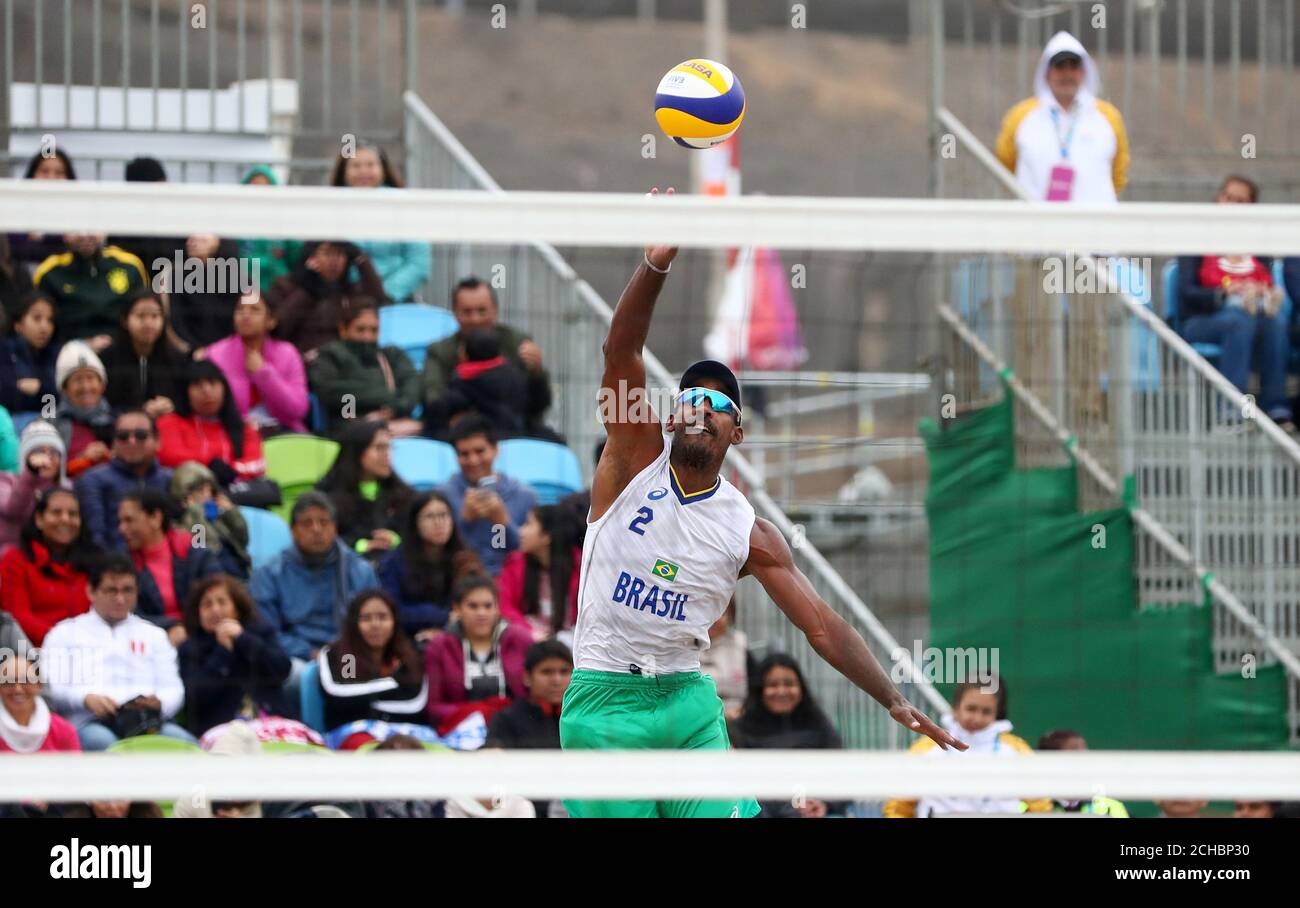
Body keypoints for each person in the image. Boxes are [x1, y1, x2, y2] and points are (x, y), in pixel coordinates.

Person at [559, 212, 961, 819]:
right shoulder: (631, 459)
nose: (702, 407)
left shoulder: (750, 531)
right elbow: (621, 347)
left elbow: (822, 626)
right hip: (606, 699)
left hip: (688, 702)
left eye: (719, 403)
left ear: (736, 431)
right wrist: (656, 264)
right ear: (671, 417)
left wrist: (892, 699)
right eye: (691, 397)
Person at [41, 552, 195, 751]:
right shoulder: (64, 633)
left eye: (128, 590)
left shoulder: (154, 635)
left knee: (186, 744)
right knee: (104, 744)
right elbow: (51, 687)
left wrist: (159, 703)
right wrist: (84, 698)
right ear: (91, 591)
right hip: (89, 721)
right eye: (111, 590)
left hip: (146, 723)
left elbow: (174, 688)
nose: (120, 599)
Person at [1177, 175, 1293, 429]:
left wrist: (1259, 291)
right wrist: (1225, 294)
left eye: (1241, 201)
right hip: (1200, 320)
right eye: (1229, 198)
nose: (1232, 205)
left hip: (1248, 315)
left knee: (1276, 321)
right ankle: (1230, 413)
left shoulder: (1256, 244)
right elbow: (1186, 293)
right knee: (1239, 322)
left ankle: (1277, 408)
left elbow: (1264, 278)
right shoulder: (1196, 238)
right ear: (1219, 199)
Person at [249, 491, 378, 687]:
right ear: (293, 531)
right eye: (307, 523)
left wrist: (342, 651)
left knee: (354, 676)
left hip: (348, 652)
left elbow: (375, 619)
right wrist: (310, 653)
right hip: (298, 658)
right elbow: (266, 632)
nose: (316, 529)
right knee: (298, 678)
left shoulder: (359, 569)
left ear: (335, 528)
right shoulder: (269, 574)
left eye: (324, 522)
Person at [995, 31, 1129, 204]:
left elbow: (1118, 173)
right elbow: (1005, 164)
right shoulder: (1020, 116)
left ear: (1083, 72)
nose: (1067, 74)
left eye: (1073, 67)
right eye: (1059, 67)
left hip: (1095, 226)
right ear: (1047, 72)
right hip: (1035, 226)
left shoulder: (1109, 116)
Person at [883, 679, 1047, 818]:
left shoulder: (1016, 749)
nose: (977, 718)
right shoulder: (926, 748)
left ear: (997, 713)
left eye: (986, 711)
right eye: (971, 708)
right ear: (956, 708)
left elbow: (1040, 804)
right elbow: (898, 805)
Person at [422, 278, 555, 439]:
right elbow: (434, 400)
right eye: (467, 312)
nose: (475, 319)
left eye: (482, 311)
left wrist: (537, 372)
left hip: (515, 431)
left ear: (495, 310)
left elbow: (539, 404)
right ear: (455, 313)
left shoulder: (518, 343)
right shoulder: (440, 350)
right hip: (460, 433)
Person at [732, 653, 847, 818]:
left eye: (789, 684)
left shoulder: (818, 723)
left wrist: (822, 803)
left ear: (801, 688)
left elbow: (842, 774)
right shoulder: (740, 730)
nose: (781, 691)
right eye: (772, 684)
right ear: (760, 690)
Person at [176, 574, 291, 736]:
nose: (215, 609)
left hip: (271, 723)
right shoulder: (190, 649)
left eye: (222, 602)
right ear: (198, 614)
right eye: (207, 605)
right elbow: (195, 699)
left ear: (237, 608)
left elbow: (282, 669)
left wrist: (242, 639)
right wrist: (223, 652)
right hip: (220, 730)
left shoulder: (259, 633)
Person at [119, 487, 223, 645]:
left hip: (203, 636)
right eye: (120, 522)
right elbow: (127, 613)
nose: (122, 528)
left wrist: (190, 630)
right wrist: (170, 627)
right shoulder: (122, 564)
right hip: (150, 644)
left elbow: (218, 594)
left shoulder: (194, 552)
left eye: (129, 520)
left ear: (155, 518)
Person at [376, 490, 484, 642]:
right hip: (407, 639)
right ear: (415, 523)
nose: (439, 523)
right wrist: (441, 617)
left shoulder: (465, 559)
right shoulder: (392, 564)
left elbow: (478, 605)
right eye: (430, 517)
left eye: (444, 515)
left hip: (457, 637)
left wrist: (443, 630)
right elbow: (391, 611)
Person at [330, 142, 431, 303]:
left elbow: (418, 262)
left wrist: (385, 293)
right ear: (344, 171)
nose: (363, 171)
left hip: (395, 299)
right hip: (345, 300)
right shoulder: (328, 207)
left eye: (370, 165)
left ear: (383, 169)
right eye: (356, 165)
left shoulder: (404, 205)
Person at [425, 575, 531, 727]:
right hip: (461, 729)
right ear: (457, 608)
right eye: (473, 606)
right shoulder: (440, 646)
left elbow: (534, 697)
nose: (481, 613)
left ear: (497, 608)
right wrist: (479, 713)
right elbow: (433, 708)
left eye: (488, 606)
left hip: (516, 729)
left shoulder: (520, 640)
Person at [307, 298, 422, 438]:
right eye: (360, 329)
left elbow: (411, 394)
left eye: (374, 330)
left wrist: (393, 409)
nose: (368, 337)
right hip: (347, 427)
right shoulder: (330, 356)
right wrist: (387, 395)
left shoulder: (392, 355)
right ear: (343, 329)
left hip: (392, 424)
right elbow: (335, 395)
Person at [438, 417, 537, 576]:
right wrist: (465, 522)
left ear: (495, 450)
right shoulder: (444, 496)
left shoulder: (523, 495)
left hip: (508, 581)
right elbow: (439, 552)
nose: (473, 460)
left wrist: (503, 523)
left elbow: (527, 552)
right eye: (464, 454)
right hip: (458, 580)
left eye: (480, 451)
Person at [317, 589, 427, 731]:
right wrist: (392, 684)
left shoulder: (406, 655)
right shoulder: (347, 657)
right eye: (366, 618)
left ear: (394, 621)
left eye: (383, 617)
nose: (375, 625)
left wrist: (369, 699)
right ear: (354, 624)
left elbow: (414, 704)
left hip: (401, 731)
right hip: (354, 731)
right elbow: (344, 697)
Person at [0, 487, 97, 645]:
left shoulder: (94, 560)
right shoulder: (15, 560)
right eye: (56, 512)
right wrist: (62, 641)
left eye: (73, 514)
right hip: (32, 652)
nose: (65, 519)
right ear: (39, 519)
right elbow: (18, 615)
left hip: (90, 653)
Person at [203, 292, 309, 434]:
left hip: (283, 432)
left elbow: (298, 409)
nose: (245, 315)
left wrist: (263, 373)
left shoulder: (288, 353)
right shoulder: (215, 355)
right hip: (234, 434)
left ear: (271, 321)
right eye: (240, 309)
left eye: (255, 310)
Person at [314, 421, 415, 561]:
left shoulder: (404, 494)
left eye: (389, 447)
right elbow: (319, 539)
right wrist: (361, 546)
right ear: (357, 451)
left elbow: (416, 531)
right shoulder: (326, 497)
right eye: (379, 447)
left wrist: (396, 540)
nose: (387, 454)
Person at [425, 328, 550, 441]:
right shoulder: (515, 375)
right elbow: (538, 403)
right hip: (519, 437)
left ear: (464, 354)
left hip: (487, 439)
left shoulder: (466, 381)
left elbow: (440, 407)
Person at [74, 409, 173, 550]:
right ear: (113, 443)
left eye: (141, 435)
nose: (131, 441)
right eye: (123, 436)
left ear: (157, 441)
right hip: (115, 566)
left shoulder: (170, 479)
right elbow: (96, 540)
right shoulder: (93, 480)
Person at [269, 240, 386, 356]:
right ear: (310, 257)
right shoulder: (287, 286)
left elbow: (378, 299)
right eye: (327, 253)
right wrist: (309, 286)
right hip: (303, 362)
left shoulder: (350, 291)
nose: (334, 260)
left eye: (340, 253)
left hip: (347, 363)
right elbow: (277, 329)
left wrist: (360, 258)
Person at [156, 359, 266, 482]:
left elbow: (257, 464)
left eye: (212, 382)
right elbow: (168, 456)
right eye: (197, 384)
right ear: (184, 392)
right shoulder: (169, 422)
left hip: (236, 495)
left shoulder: (243, 427)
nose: (207, 391)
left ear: (225, 388)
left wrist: (228, 471)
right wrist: (210, 464)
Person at [33, 233, 149, 345]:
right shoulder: (49, 272)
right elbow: (41, 325)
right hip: (67, 353)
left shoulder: (130, 266)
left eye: (91, 225)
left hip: (123, 350)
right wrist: (83, 346)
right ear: (65, 234)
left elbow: (146, 315)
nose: (85, 234)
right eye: (77, 226)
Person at [496, 505, 581, 644]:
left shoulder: (580, 566)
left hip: (572, 642)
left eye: (528, 524)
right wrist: (528, 632)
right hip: (528, 640)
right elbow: (505, 606)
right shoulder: (515, 564)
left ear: (547, 536)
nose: (521, 531)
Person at [99, 289, 188, 418]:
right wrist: (140, 410)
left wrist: (171, 405)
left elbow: (186, 401)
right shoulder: (108, 358)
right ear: (125, 320)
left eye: (155, 316)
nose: (148, 323)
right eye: (140, 316)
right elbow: (104, 405)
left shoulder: (177, 359)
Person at [170, 461, 252, 579]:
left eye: (210, 490)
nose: (207, 495)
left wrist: (231, 514)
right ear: (185, 496)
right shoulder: (179, 526)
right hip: (213, 580)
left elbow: (243, 541)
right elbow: (203, 549)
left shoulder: (216, 519)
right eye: (200, 491)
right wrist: (196, 514)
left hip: (239, 576)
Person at [486, 639, 572, 749]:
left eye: (564, 672)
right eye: (546, 672)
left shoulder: (579, 718)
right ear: (527, 677)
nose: (556, 680)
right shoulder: (506, 720)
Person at [166, 234, 243, 352]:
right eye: (191, 238)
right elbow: (176, 322)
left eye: (202, 238)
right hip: (189, 353)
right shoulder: (176, 277)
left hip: (228, 352)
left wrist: (218, 351)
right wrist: (193, 349)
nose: (191, 242)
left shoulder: (238, 280)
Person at [7, 148, 78, 276]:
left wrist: (40, 239)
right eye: (44, 171)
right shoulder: (14, 209)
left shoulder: (78, 213)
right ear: (32, 175)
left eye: (59, 173)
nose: (51, 178)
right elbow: (13, 249)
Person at [0, 420, 67, 552]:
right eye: (39, 451)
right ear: (25, 456)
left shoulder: (68, 488)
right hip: (13, 558)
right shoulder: (5, 481)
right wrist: (31, 473)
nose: (47, 457)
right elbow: (13, 511)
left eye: (54, 452)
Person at [51, 340, 115, 477]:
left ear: (102, 385)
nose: (86, 387)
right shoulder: (51, 423)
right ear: (65, 389)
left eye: (91, 378)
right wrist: (83, 459)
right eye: (78, 380)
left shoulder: (118, 419)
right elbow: (45, 473)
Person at [236, 166, 302, 293]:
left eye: (266, 187)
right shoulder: (235, 221)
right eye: (254, 186)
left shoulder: (284, 222)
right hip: (242, 287)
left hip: (277, 289)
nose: (259, 191)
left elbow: (296, 256)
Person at [1035, 728, 1128, 816]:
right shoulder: (1030, 808)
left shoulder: (1111, 807)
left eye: (1085, 750)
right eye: (1075, 750)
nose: (1085, 758)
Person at [0, 654, 81, 753]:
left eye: (26, 681)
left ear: (39, 684)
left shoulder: (63, 731)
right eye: (8, 682)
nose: (18, 689)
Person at [0, 293, 62, 415]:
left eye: (50, 320)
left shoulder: (57, 354)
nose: (44, 327)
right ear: (18, 325)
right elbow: (7, 397)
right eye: (36, 318)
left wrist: (40, 388)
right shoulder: (4, 351)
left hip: (49, 422)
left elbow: (60, 401)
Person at [698, 596, 751, 721]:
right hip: (696, 719)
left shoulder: (741, 644)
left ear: (731, 616)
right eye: (706, 612)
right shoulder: (682, 645)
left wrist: (742, 711)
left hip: (737, 719)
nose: (714, 619)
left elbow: (755, 688)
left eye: (721, 613)